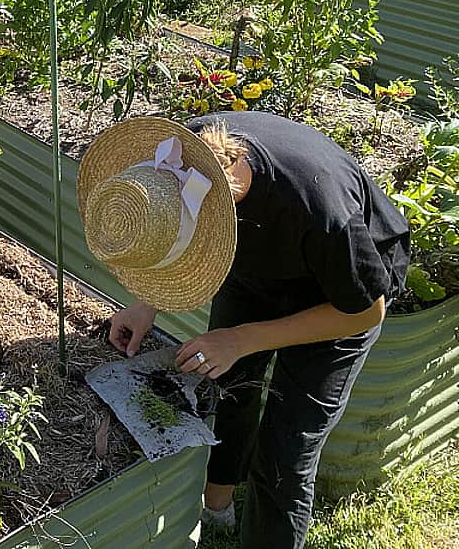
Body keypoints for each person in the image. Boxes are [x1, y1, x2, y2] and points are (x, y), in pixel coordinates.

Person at [78, 113, 409, 549]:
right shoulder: (184, 153)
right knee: (228, 386)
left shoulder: (321, 210)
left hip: (339, 297)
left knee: (287, 449)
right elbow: (176, 232)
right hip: (259, 270)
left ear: (221, 215)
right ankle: (217, 506)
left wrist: (242, 339)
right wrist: (146, 304)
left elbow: (367, 313)